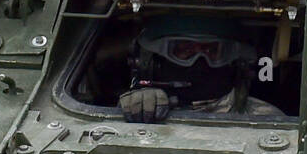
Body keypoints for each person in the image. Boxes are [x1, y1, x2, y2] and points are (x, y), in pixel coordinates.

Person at [118, 15, 281, 122]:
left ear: (237, 63)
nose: (199, 61)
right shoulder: (137, 109)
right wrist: (129, 114)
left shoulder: (266, 120)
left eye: (212, 51)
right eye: (185, 51)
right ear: (152, 62)